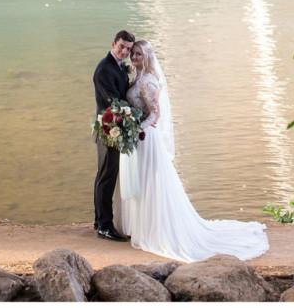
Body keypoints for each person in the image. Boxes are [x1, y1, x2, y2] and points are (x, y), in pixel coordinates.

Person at [114, 40, 269, 263]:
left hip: (146, 138)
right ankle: (138, 227)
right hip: (138, 138)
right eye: (134, 53)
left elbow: (155, 114)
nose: (134, 57)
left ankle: (155, 229)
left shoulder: (148, 81)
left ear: (147, 57)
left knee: (150, 182)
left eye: (139, 54)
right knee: (140, 181)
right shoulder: (136, 77)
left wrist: (136, 129)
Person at [93, 29, 135, 241]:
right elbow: (113, 100)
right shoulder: (104, 69)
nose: (124, 52)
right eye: (121, 47)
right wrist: (135, 112)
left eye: (128, 49)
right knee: (106, 177)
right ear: (113, 44)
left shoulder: (118, 66)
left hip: (115, 127)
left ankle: (101, 221)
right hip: (108, 129)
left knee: (108, 175)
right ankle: (104, 225)